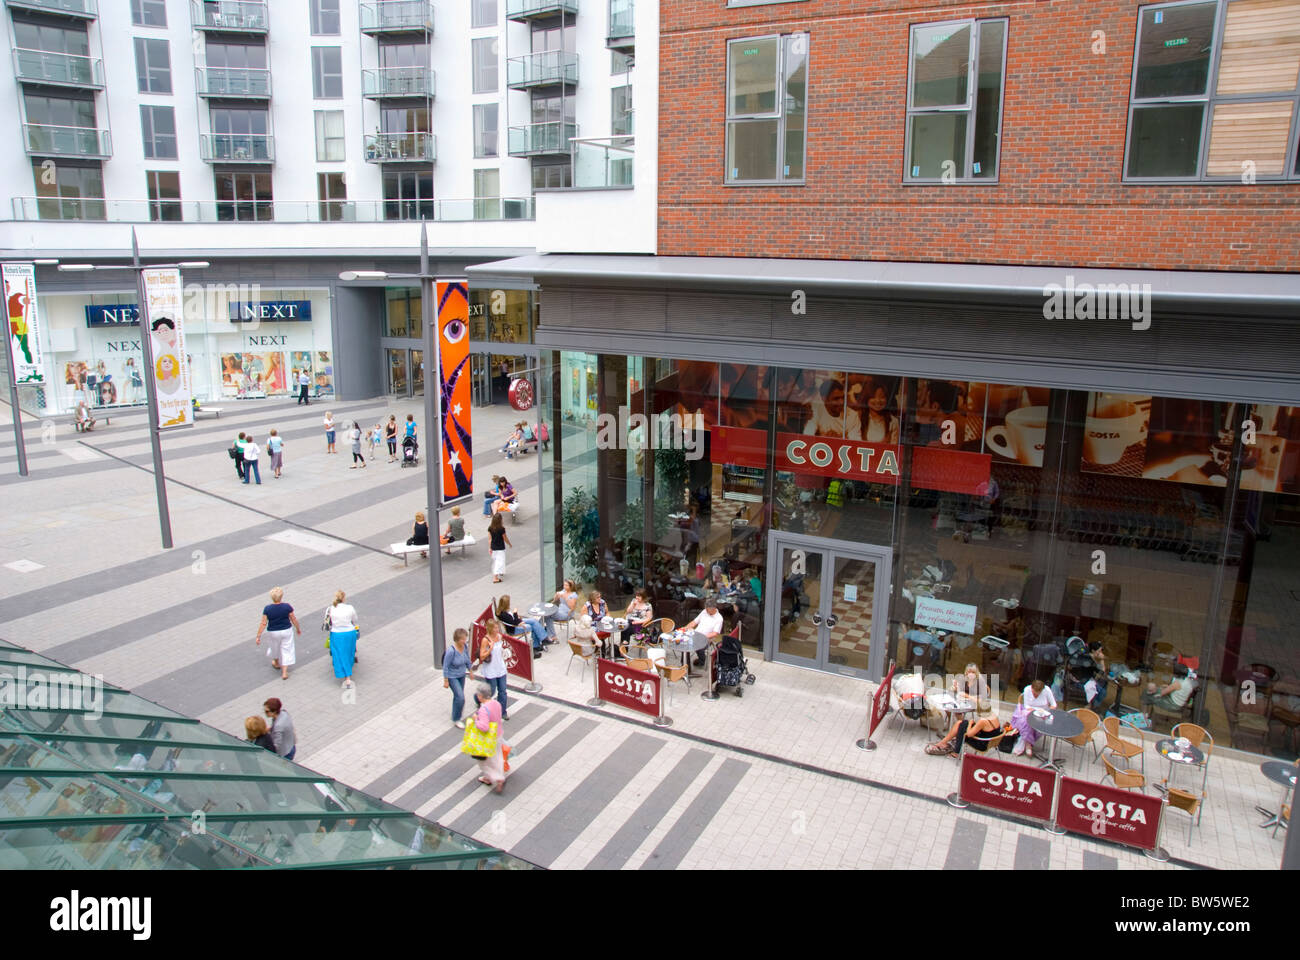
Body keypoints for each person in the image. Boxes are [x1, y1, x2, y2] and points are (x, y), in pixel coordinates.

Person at [467, 681, 510, 794]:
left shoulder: (483, 710)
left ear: (481, 696)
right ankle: (493, 776)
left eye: (478, 695)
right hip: (498, 734)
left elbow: (484, 727)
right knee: (498, 757)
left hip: (488, 739)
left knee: (483, 762)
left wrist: (476, 719)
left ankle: (496, 778)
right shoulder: (496, 704)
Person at [254, 586, 301, 680]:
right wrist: (297, 628)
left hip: (273, 632)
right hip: (286, 630)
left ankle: (276, 662)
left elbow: (263, 623)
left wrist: (258, 636)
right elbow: (293, 619)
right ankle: (284, 672)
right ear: (281, 596)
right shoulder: (287, 606)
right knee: (287, 649)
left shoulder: (267, 609)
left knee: (274, 647)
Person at [1010, 678, 1057, 757]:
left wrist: (1046, 711)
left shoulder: (1047, 690)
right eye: (1035, 692)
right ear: (1032, 688)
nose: (1036, 695)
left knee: (1036, 723)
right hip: (1029, 711)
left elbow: (1053, 705)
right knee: (1026, 721)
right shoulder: (1027, 689)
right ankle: (1028, 745)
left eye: (1038, 693)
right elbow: (1027, 706)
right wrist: (1035, 710)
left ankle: (1026, 742)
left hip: (1043, 713)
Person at [925, 710, 1001, 758]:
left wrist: (971, 723)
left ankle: (955, 752)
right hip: (989, 740)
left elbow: (969, 734)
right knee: (961, 723)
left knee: (962, 727)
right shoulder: (993, 715)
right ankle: (943, 742)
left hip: (982, 744)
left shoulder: (983, 721)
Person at [473, 619, 509, 720]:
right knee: (491, 691)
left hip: (500, 667)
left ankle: (503, 712)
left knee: (502, 690)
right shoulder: (486, 640)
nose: (497, 629)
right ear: (490, 628)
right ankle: (478, 697)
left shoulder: (499, 637)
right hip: (491, 669)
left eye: (498, 627)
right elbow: (482, 656)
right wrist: (490, 649)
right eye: (495, 628)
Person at [325, 589, 359, 689]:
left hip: (336, 634)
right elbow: (355, 619)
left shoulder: (330, 609)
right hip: (349, 633)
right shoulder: (350, 608)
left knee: (338, 655)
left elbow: (328, 622)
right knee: (349, 653)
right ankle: (348, 676)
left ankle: (344, 675)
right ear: (344, 598)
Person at [682, 597, 725, 667]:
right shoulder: (704, 611)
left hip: (707, 638)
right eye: (706, 609)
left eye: (708, 609)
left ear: (713, 608)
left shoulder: (719, 618)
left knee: (697, 645)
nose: (706, 611)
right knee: (683, 642)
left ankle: (701, 660)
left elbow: (715, 633)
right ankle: (685, 665)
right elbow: (694, 622)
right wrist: (685, 628)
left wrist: (701, 636)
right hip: (695, 634)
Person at [443, 628, 472, 728]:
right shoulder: (451, 651)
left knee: (458, 697)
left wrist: (470, 670)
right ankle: (456, 718)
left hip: (461, 675)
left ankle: (456, 713)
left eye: (465, 639)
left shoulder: (465, 647)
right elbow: (445, 666)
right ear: (457, 639)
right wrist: (446, 680)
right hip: (452, 677)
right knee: (460, 697)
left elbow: (467, 659)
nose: (464, 641)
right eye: (462, 639)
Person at [487, 512, 511, 583]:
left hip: (493, 547)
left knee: (496, 560)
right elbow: (505, 538)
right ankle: (495, 577)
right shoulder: (502, 529)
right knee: (499, 562)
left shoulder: (490, 528)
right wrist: (509, 544)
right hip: (500, 547)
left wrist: (490, 548)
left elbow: (489, 539)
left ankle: (500, 572)